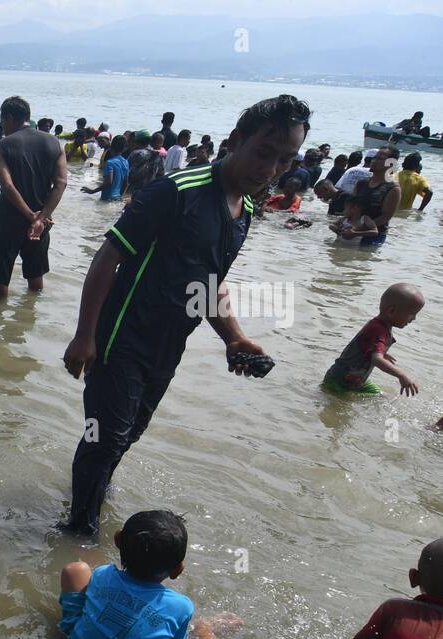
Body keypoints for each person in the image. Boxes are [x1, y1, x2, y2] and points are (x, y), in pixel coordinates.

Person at [61, 93, 309, 536]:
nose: (270, 170)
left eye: (285, 161)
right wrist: (85, 335)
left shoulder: (246, 209)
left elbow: (209, 282)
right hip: (120, 335)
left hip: (168, 344)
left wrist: (233, 336)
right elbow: (107, 257)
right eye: (263, 153)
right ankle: (77, 534)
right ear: (236, 140)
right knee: (104, 438)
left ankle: (92, 494)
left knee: (128, 434)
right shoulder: (177, 191)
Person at [59, 510, 240, 639]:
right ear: (177, 570)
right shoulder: (181, 606)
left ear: (117, 540)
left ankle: (71, 627)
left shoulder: (102, 574)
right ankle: (204, 629)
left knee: (76, 569)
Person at [0, 95, 67, 298]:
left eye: (2, 120)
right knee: (35, 278)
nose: (2, 126)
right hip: (41, 221)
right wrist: (40, 218)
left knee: (1, 279)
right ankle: (28, 320)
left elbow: (7, 185)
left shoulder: (4, 145)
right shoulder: (55, 143)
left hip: (10, 219)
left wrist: (30, 215)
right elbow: (61, 183)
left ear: (8, 118)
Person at [320, 283, 423, 397]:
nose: (414, 318)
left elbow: (370, 349)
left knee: (381, 397)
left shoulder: (382, 325)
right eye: (412, 314)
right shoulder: (378, 330)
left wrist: (382, 353)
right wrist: (401, 374)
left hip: (356, 380)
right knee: (340, 408)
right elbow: (376, 359)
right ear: (391, 311)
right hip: (338, 382)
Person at [353, 147, 401, 245]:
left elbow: (386, 216)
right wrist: (343, 223)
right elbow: (352, 206)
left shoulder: (393, 189)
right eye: (374, 158)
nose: (373, 161)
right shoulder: (362, 183)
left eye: (379, 158)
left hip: (373, 236)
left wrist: (359, 229)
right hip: (353, 230)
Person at [81, 135, 127, 201]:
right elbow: (126, 183)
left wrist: (92, 191)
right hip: (117, 198)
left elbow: (108, 182)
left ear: (112, 146)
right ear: (124, 148)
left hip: (106, 198)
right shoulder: (126, 162)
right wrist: (120, 196)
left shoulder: (110, 163)